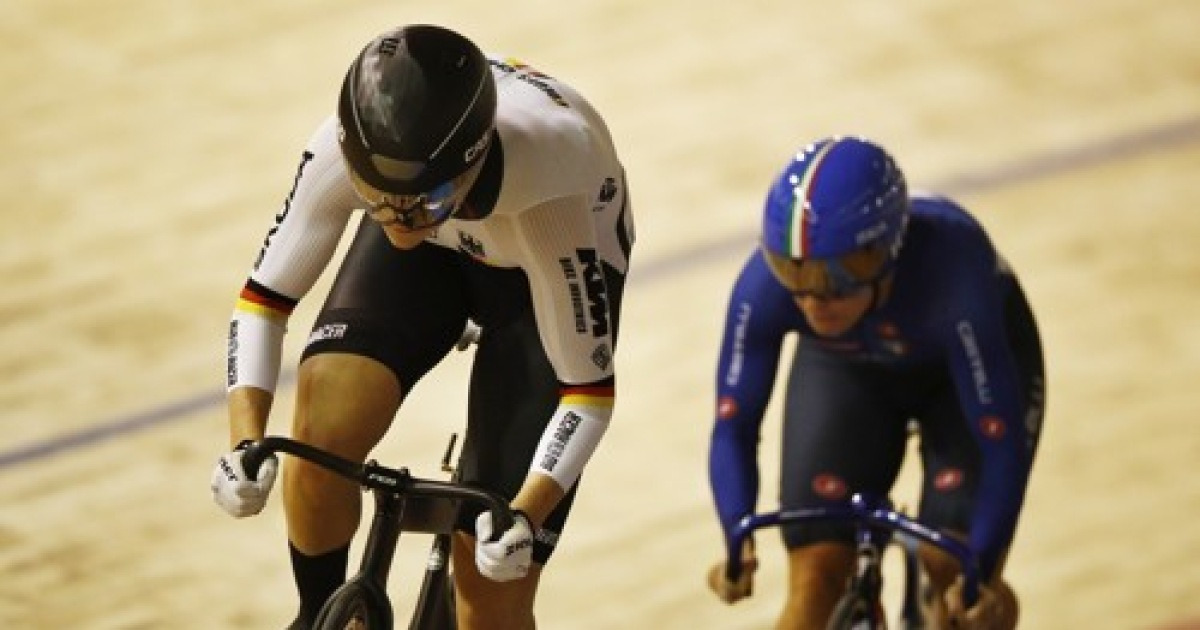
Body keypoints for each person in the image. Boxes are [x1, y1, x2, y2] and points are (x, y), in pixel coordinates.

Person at [209, 24, 634, 630]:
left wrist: (523, 515)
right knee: (320, 429)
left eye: (422, 202)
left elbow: (588, 395)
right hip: (437, 251)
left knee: (489, 589)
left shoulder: (547, 187)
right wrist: (245, 442)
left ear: (472, 163)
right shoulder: (353, 162)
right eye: (375, 198)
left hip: (539, 264)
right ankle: (320, 615)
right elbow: (262, 301)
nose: (398, 219)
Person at [704, 136, 1044, 629]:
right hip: (848, 369)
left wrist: (980, 576)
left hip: (962, 374)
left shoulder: (953, 271)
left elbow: (1001, 444)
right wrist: (737, 536)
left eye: (840, 276)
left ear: (888, 250)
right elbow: (733, 426)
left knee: (957, 585)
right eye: (795, 273)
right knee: (815, 584)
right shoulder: (764, 289)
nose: (816, 299)